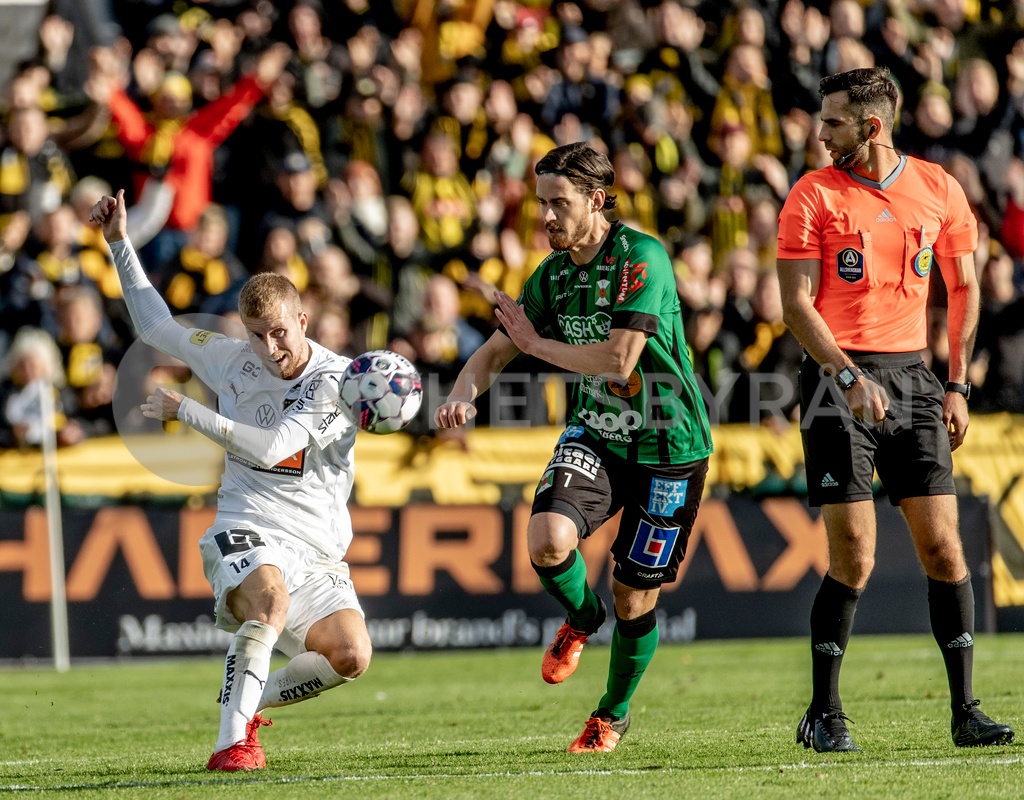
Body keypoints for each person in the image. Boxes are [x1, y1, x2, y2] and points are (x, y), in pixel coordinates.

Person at [434, 141, 713, 753]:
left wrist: (536, 346)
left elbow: (619, 359)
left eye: (559, 203)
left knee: (635, 593)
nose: (548, 217)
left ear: (596, 199)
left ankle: (610, 715)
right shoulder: (553, 276)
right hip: (598, 433)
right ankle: (582, 620)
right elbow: (498, 349)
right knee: (547, 539)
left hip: (670, 445)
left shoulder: (642, 258)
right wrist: (463, 393)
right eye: (541, 204)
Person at [776, 66, 1014, 753]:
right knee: (856, 556)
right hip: (833, 376)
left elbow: (964, 285)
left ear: (870, 126)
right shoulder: (812, 194)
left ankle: (966, 710)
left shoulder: (939, 188)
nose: (821, 134)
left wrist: (957, 384)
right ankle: (825, 713)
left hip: (912, 378)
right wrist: (846, 374)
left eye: (833, 123)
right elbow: (796, 305)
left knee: (944, 546)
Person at [89, 190, 371, 771]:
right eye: (257, 335)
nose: (271, 350)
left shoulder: (333, 380)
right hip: (246, 524)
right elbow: (156, 325)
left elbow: (271, 448)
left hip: (317, 550)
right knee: (267, 604)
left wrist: (187, 411)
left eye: (279, 333)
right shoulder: (231, 358)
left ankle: (247, 700)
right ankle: (231, 745)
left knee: (352, 656)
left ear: (303, 320)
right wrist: (120, 242)